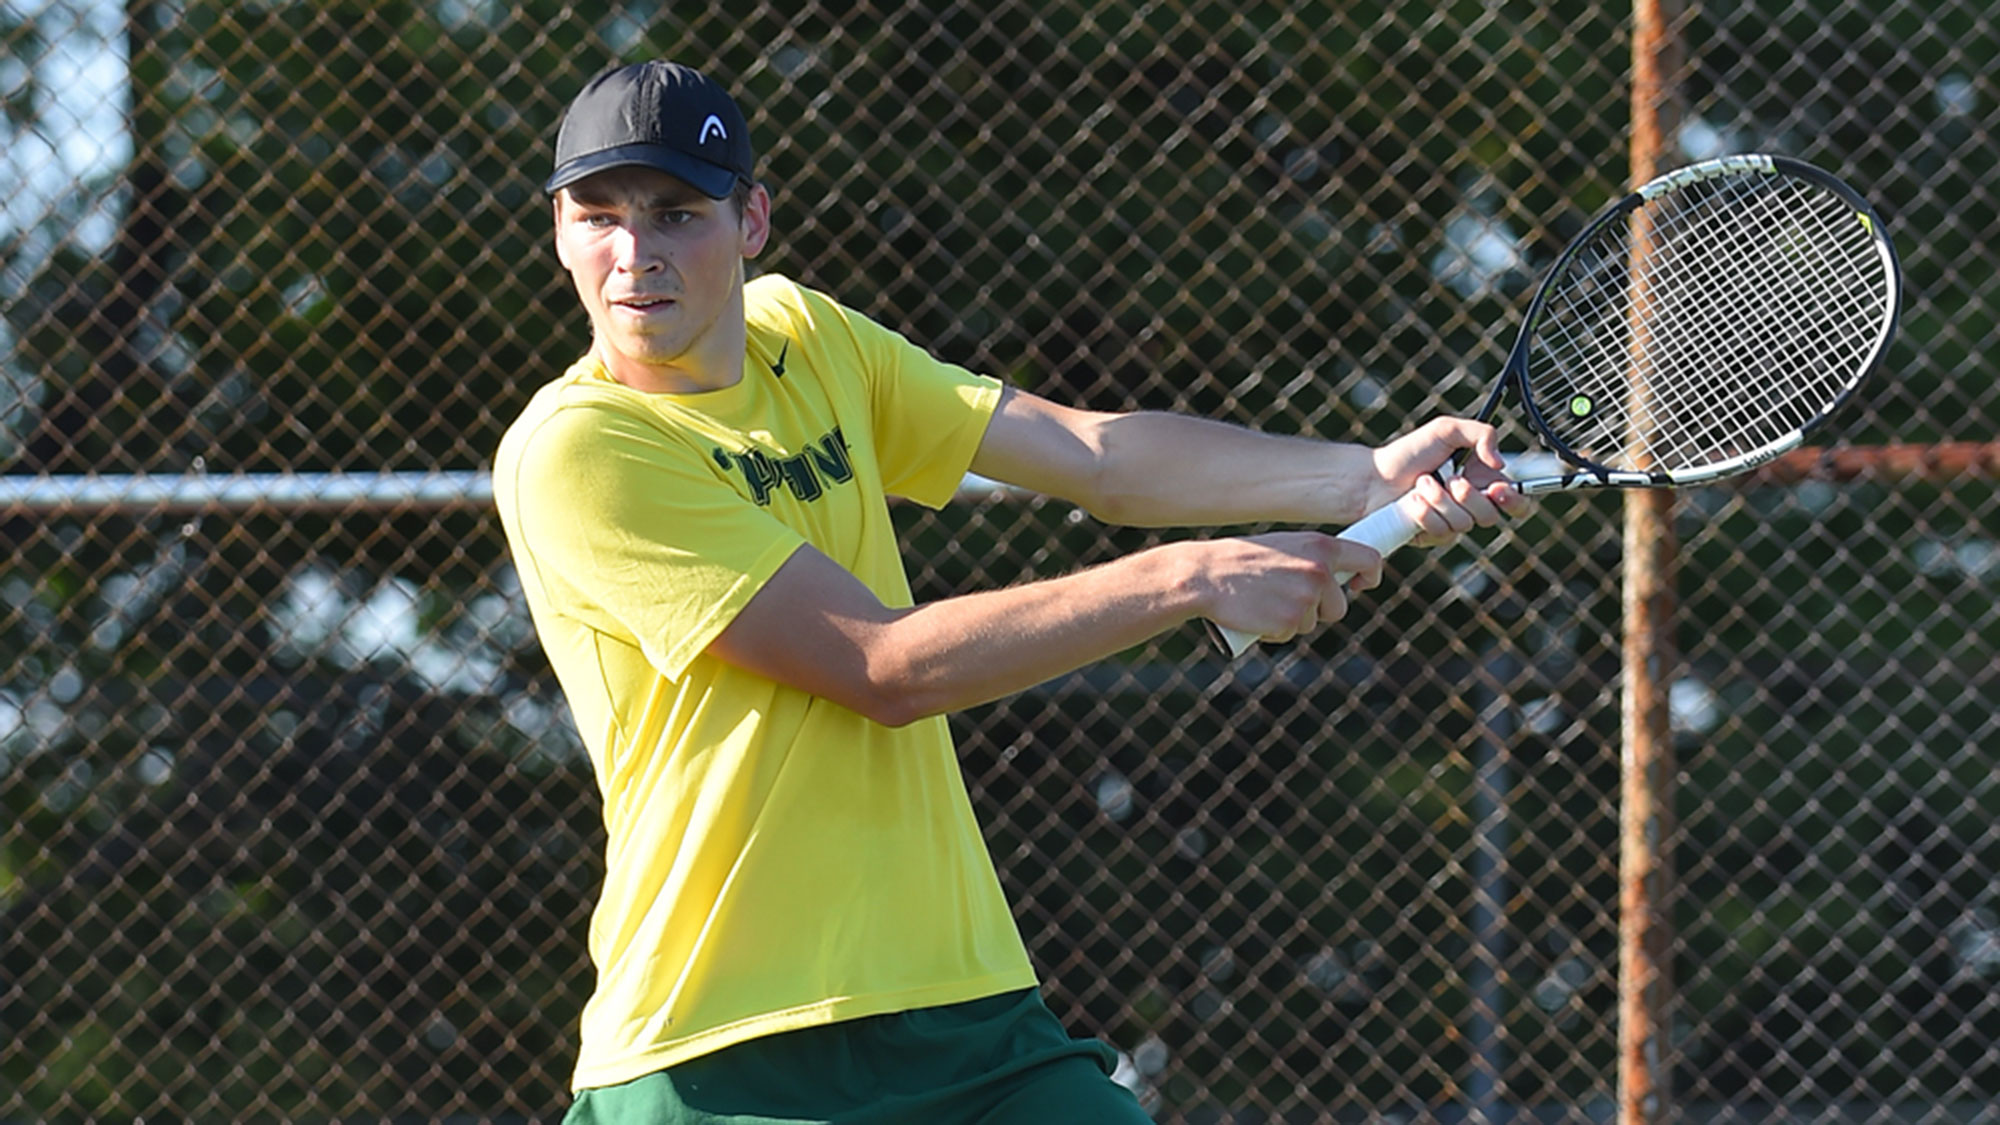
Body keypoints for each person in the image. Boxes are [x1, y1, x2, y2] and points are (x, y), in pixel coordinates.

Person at [494, 60, 1525, 1125]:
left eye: (675, 212)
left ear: (750, 219)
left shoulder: (808, 339)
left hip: (964, 1011)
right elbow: (881, 666)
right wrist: (1189, 574)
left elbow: (1094, 457)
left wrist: (1360, 477)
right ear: (561, 230)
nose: (635, 252)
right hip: (723, 1051)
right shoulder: (579, 451)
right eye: (600, 216)